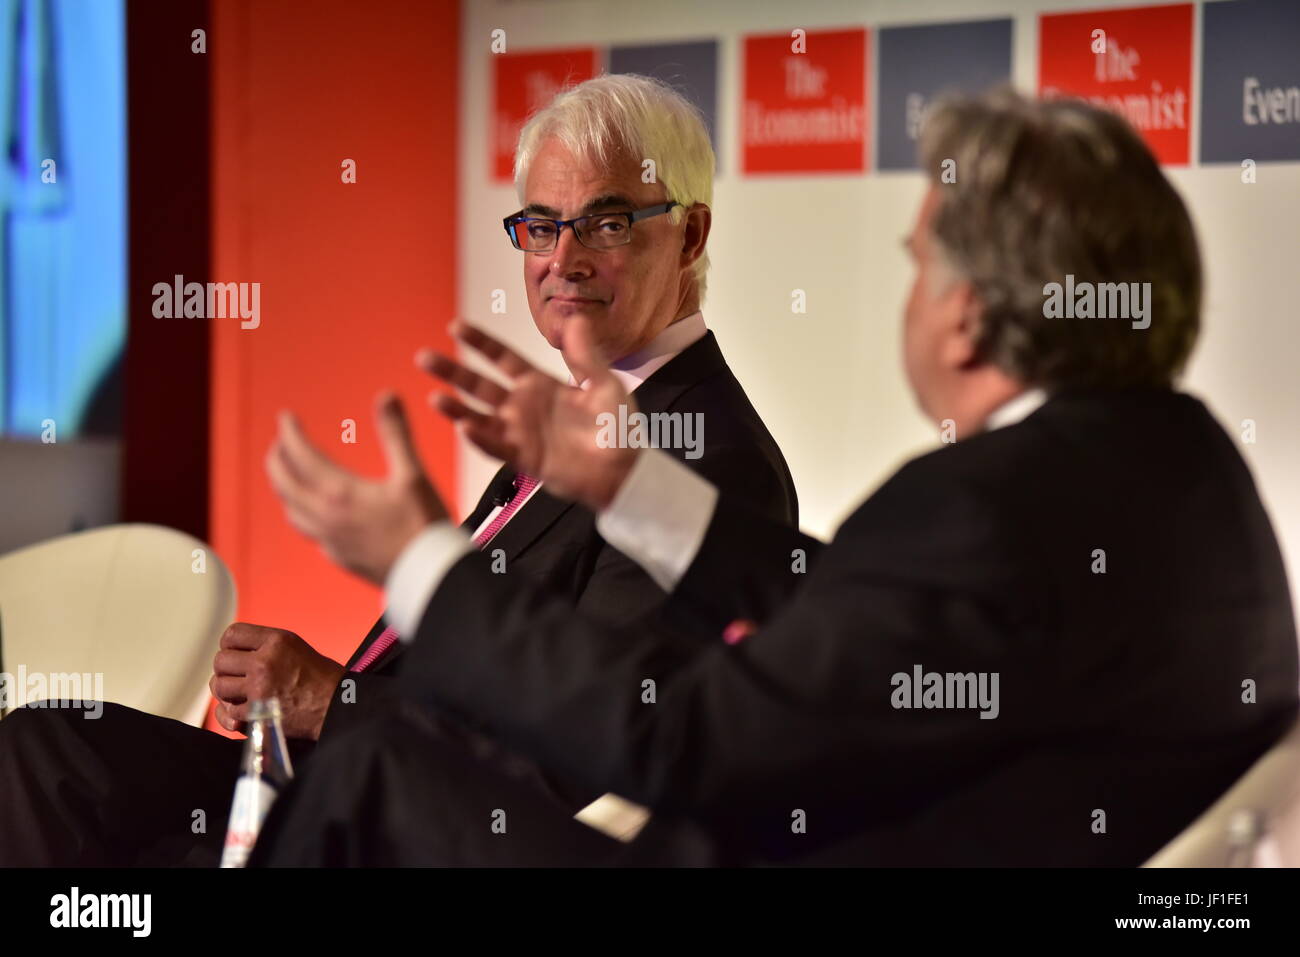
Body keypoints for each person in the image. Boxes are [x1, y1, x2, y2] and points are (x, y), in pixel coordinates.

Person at [251, 89, 1298, 867]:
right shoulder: (1192, 471)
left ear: (970, 317)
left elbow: (687, 741)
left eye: (918, 262)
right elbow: (865, 612)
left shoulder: (980, 505)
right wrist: (628, 486)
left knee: (365, 779)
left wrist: (424, 565)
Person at [0, 74, 797, 866]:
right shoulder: (584, 418)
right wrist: (294, 705)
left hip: (428, 831)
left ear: (690, 237)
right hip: (353, 775)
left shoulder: (705, 462)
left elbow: (582, 747)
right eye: (542, 226)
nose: (565, 259)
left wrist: (327, 698)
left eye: (608, 222)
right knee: (51, 748)